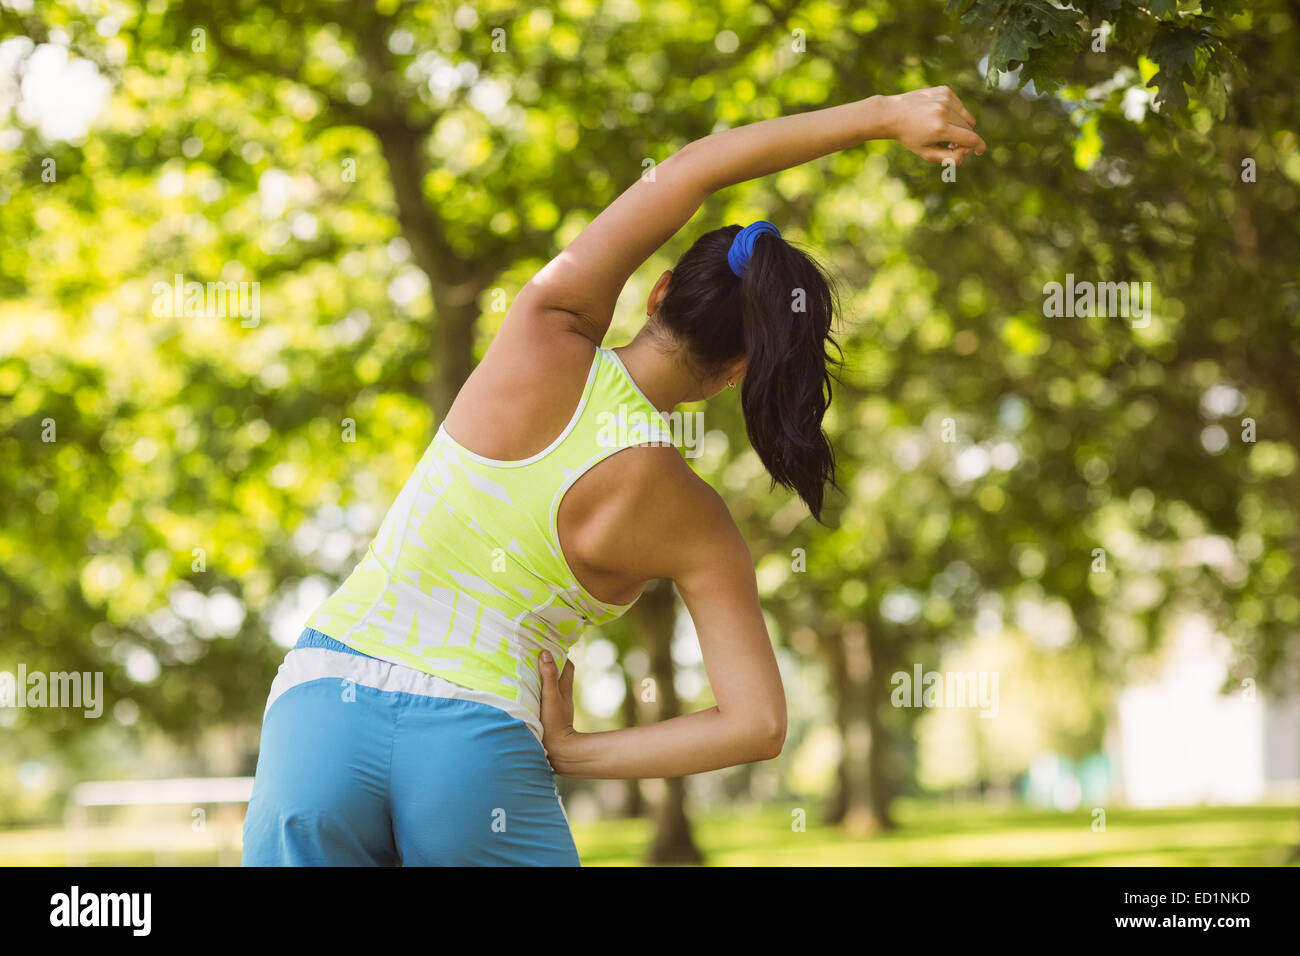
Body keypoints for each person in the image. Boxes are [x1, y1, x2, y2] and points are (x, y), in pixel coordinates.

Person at [241, 86, 984, 866]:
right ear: (738, 373)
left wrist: (883, 115)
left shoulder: (544, 328)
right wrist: (574, 749)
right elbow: (757, 725)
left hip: (321, 705)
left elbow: (696, 169)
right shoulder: (696, 522)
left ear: (661, 289)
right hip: (475, 742)